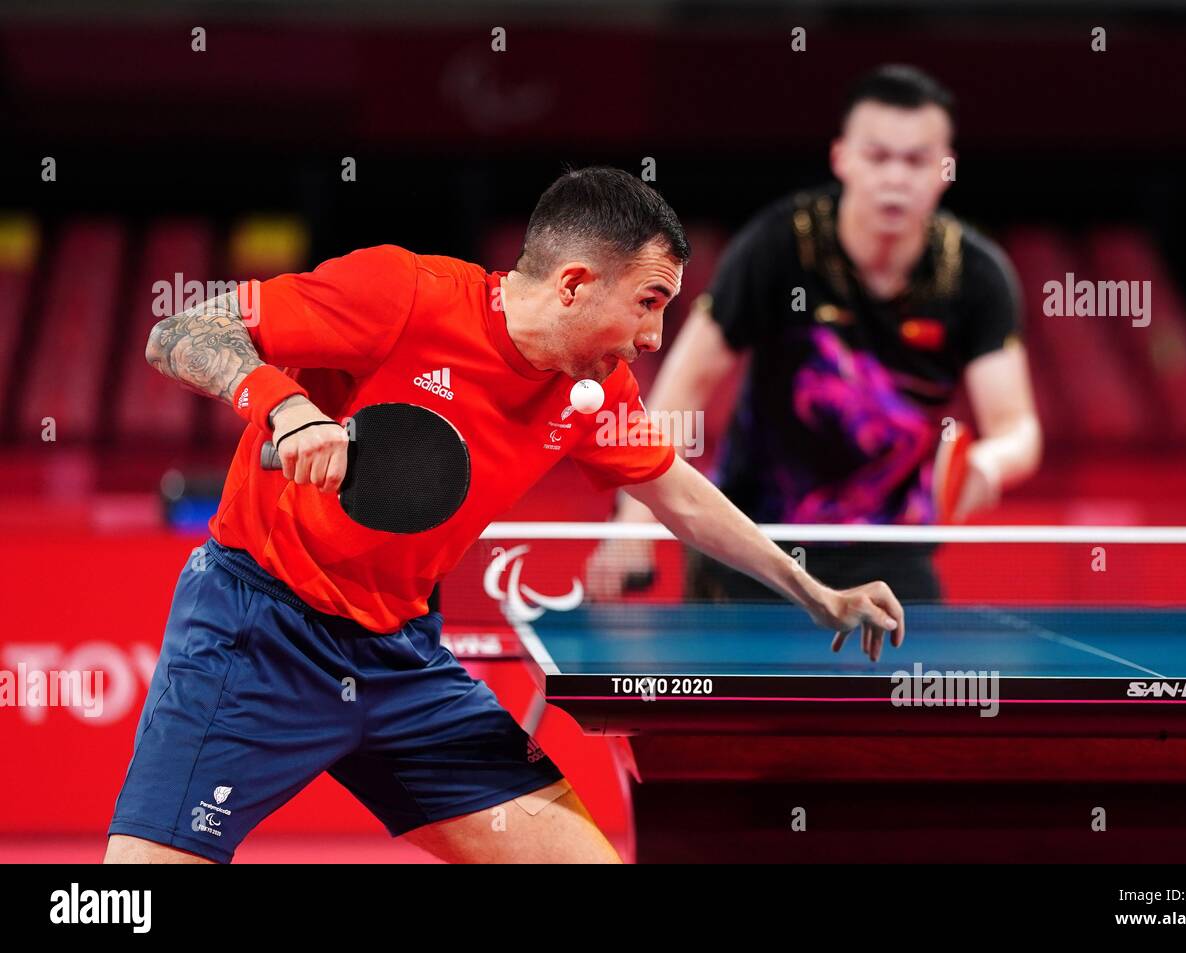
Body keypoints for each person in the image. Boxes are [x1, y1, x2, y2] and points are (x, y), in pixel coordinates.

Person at [104, 167, 905, 865]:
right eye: (648, 303)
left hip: (402, 659)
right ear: (574, 283)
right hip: (257, 632)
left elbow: (680, 494)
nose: (654, 338)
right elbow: (181, 328)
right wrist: (284, 406)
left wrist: (815, 591)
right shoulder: (403, 294)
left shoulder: (591, 392)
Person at [587, 66, 1042, 604]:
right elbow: (680, 394)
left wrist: (990, 462)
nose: (896, 177)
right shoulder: (780, 247)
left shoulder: (976, 275)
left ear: (946, 168)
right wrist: (631, 525)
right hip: (752, 546)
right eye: (878, 156)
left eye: (917, 160)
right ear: (841, 158)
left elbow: (1017, 429)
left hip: (893, 549)